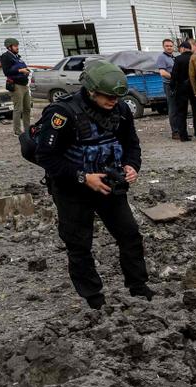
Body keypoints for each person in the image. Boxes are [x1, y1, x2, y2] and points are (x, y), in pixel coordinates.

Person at [33, 62, 151, 309]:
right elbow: (46, 156)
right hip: (72, 189)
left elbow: (131, 143)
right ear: (91, 90)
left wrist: (131, 165)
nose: (113, 101)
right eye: (108, 96)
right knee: (79, 244)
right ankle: (94, 299)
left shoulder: (120, 110)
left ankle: (139, 288)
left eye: (117, 96)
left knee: (129, 235)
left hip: (108, 185)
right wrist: (83, 177)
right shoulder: (62, 114)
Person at [170, 40, 196, 142]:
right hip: (194, 87)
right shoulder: (195, 57)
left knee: (181, 112)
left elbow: (174, 75)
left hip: (181, 88)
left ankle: (183, 135)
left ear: (183, 48)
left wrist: (172, 87)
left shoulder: (178, 59)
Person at [0, 38, 32, 135]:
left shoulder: (17, 57)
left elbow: (22, 67)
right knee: (18, 108)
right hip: (16, 85)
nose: (17, 47)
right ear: (9, 47)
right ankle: (17, 131)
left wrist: (26, 71)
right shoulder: (5, 57)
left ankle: (27, 130)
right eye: (15, 46)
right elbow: (7, 72)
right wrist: (20, 71)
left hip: (24, 84)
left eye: (17, 45)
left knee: (27, 108)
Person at [154, 39, 177, 139]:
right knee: (172, 108)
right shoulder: (162, 57)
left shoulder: (172, 57)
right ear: (163, 47)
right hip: (169, 85)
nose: (169, 47)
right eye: (167, 46)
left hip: (175, 85)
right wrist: (174, 77)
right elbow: (162, 72)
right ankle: (175, 132)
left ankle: (180, 130)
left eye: (171, 46)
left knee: (177, 108)